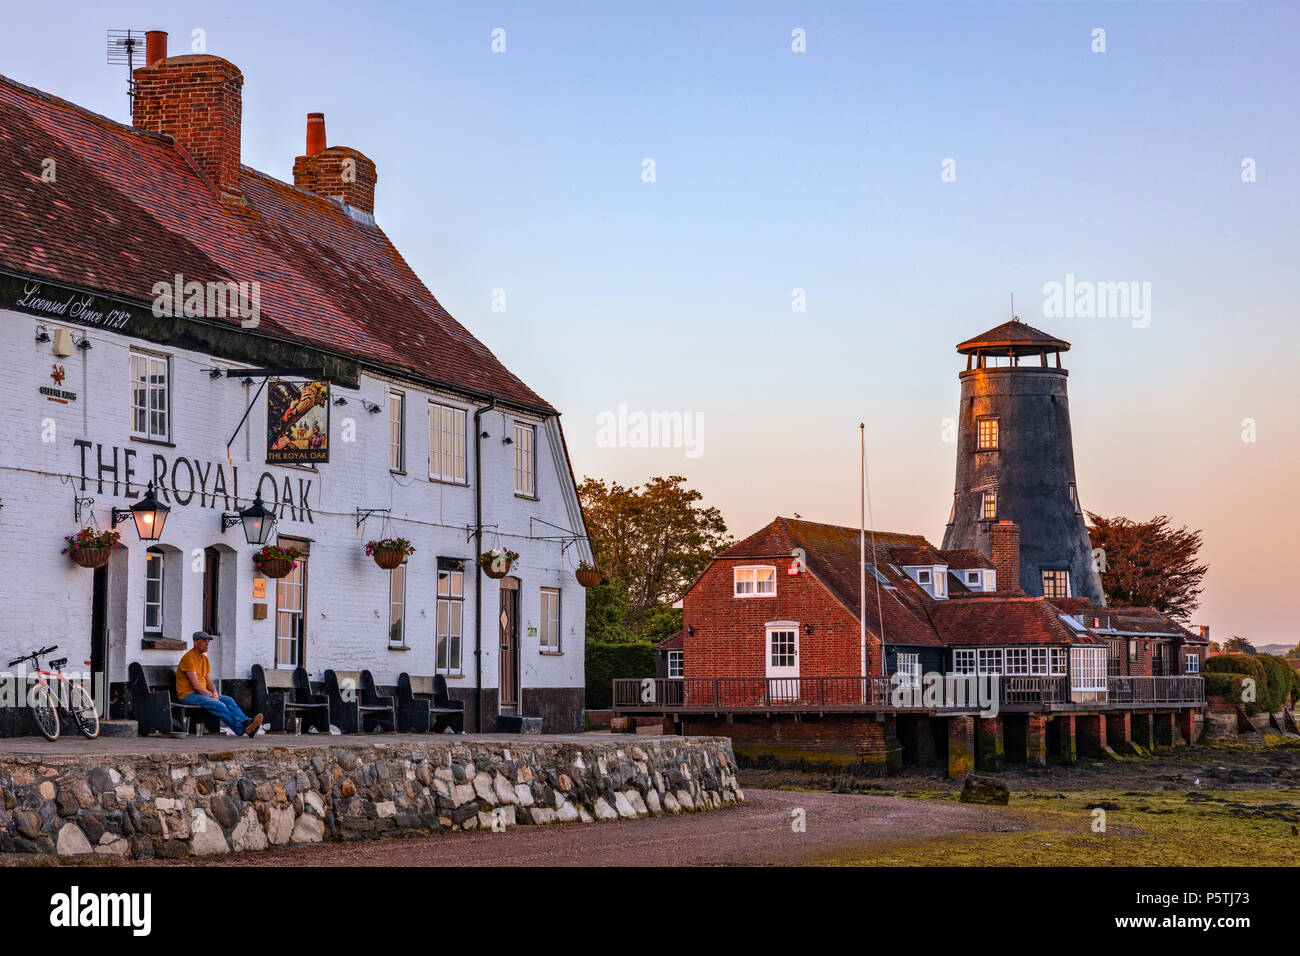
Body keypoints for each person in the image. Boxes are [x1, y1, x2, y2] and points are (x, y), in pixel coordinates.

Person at [176, 632, 263, 737]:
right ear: (195, 642)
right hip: (188, 695)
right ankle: (241, 729)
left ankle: (246, 723)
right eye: (203, 641)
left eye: (208, 641)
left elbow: (208, 681)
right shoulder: (189, 659)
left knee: (228, 700)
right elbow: (195, 685)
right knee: (218, 704)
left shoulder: (204, 659)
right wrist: (211, 696)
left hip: (202, 694)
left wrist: (215, 692)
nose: (207, 644)